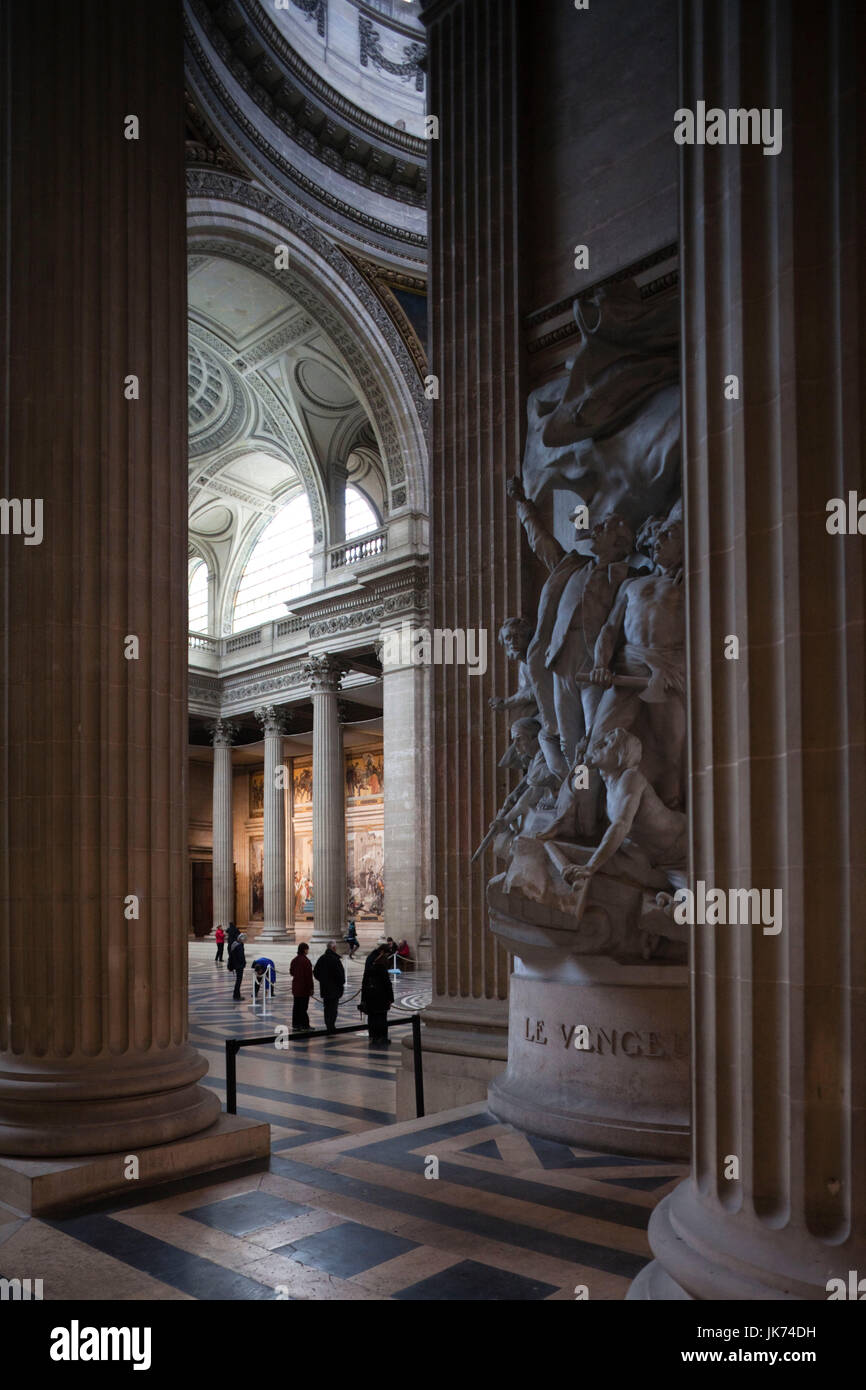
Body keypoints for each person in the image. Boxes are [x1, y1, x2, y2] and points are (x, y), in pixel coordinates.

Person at [360, 946, 394, 1048]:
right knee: (382, 1017)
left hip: (370, 997)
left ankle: (373, 1037)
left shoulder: (369, 967)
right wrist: (391, 998)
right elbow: (388, 985)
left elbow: (364, 984)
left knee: (372, 1017)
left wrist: (363, 998)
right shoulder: (382, 969)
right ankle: (382, 1037)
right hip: (381, 997)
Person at [313, 941, 346, 1034]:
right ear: (333, 948)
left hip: (325, 988)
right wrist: (340, 983)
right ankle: (331, 1026)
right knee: (333, 1009)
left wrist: (322, 981)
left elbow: (315, 972)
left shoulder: (322, 958)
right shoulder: (335, 959)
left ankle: (329, 1025)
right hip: (334, 989)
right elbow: (340, 975)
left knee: (327, 1008)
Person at [289, 942, 314, 1031]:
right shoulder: (306, 961)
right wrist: (311, 988)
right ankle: (305, 1025)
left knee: (296, 1007)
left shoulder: (294, 960)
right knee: (303, 1008)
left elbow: (291, 972)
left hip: (296, 987)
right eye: (307, 949)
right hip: (304, 988)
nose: (308, 951)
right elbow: (309, 977)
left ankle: (296, 1024)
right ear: (304, 950)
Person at [227, 931, 247, 1000]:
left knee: (238, 981)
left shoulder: (234, 944)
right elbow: (241, 957)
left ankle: (236, 994)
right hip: (239, 966)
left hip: (236, 965)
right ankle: (236, 995)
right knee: (238, 981)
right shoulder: (239, 946)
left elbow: (231, 956)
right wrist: (244, 963)